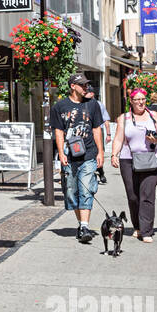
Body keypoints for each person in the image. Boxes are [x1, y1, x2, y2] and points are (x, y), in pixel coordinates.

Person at [50, 73, 105, 244]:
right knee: (71, 192)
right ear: (73, 86)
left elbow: (97, 129)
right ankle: (81, 224)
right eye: (82, 85)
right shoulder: (60, 107)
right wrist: (61, 153)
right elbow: (58, 132)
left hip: (88, 154)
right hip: (69, 154)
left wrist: (100, 152)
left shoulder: (93, 104)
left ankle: (84, 225)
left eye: (87, 85)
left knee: (87, 188)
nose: (86, 87)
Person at [110, 88, 157, 242]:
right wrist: (114, 154)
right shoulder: (124, 118)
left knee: (147, 195)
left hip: (151, 159)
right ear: (131, 101)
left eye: (143, 99)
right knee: (133, 196)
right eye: (137, 100)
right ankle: (137, 226)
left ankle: (147, 231)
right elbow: (118, 139)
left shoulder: (153, 116)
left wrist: (156, 139)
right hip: (128, 160)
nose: (141, 102)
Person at [86, 84, 113, 183]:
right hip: (87, 132)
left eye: (88, 92)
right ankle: (92, 173)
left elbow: (105, 120)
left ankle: (101, 172)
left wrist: (109, 134)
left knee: (98, 152)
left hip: (98, 131)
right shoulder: (82, 104)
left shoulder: (99, 105)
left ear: (92, 93)